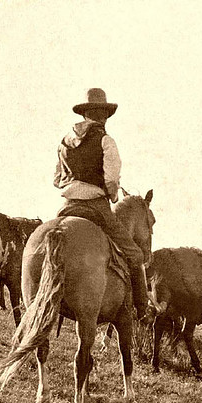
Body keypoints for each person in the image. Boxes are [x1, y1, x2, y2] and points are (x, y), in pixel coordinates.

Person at [54, 88, 148, 317]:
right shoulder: (106, 141)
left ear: (84, 114)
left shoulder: (64, 142)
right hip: (96, 206)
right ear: (104, 116)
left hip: (67, 206)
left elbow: (56, 179)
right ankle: (141, 309)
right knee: (135, 255)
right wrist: (113, 195)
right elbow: (111, 181)